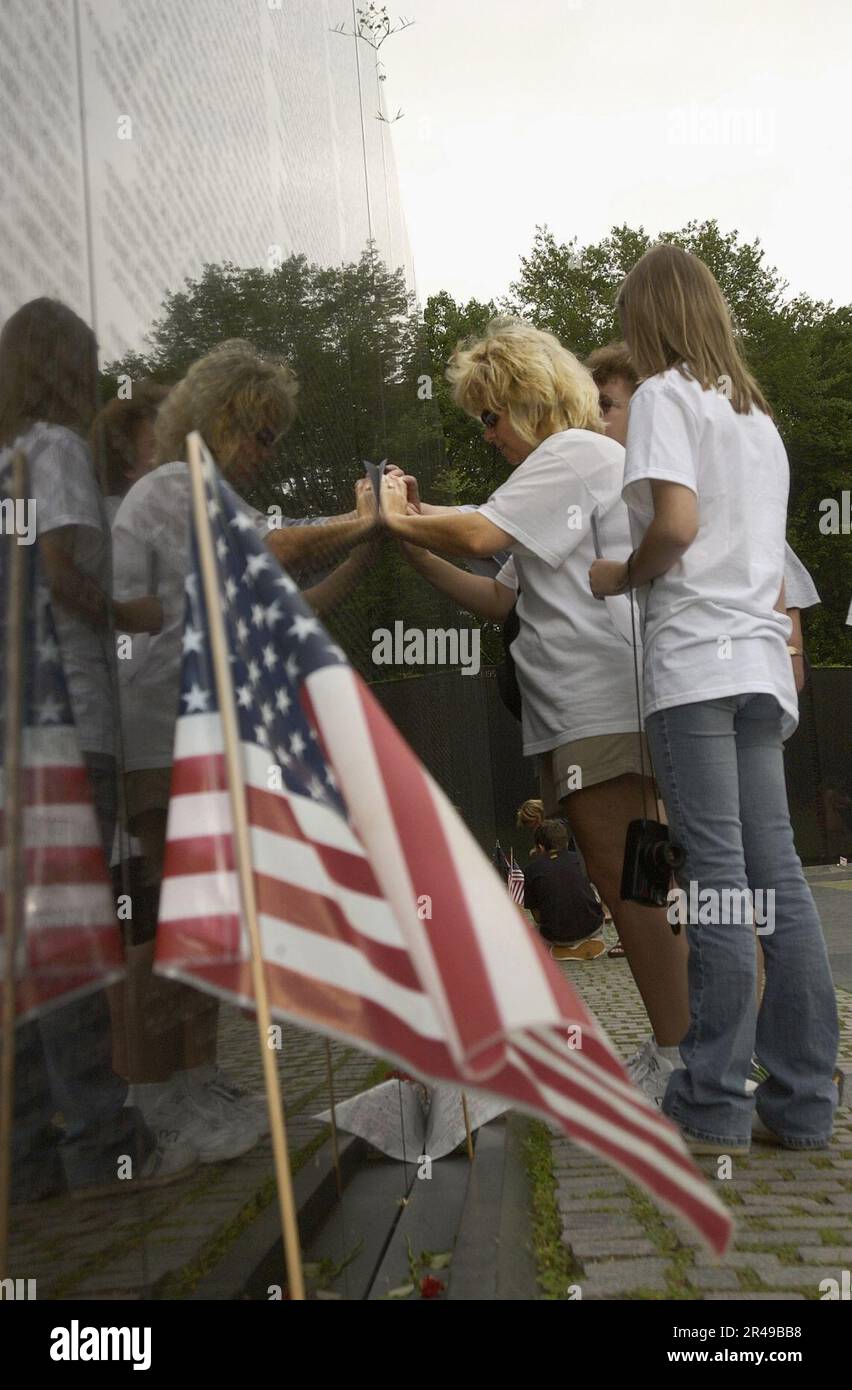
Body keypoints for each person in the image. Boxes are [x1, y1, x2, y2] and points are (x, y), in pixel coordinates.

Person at [381, 316, 690, 1061]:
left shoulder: (572, 454)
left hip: (596, 707)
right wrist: (411, 534)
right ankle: (694, 1046)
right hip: (591, 708)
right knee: (640, 886)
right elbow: (497, 596)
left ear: (530, 398)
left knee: (630, 887)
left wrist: (400, 516)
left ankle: (684, 1052)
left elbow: (482, 537)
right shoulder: (563, 470)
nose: (488, 434)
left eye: (492, 416)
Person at [590, 243, 840, 1153]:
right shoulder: (759, 421)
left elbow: (678, 527)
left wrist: (620, 575)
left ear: (647, 320)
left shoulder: (662, 396)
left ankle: (710, 1102)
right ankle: (806, 1102)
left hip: (695, 667)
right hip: (761, 671)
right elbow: (768, 566)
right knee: (779, 881)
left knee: (723, 888)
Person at [111, 339, 379, 1162]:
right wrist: (364, 519)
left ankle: (194, 1081)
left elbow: (286, 598)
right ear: (223, 419)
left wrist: (369, 549)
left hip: (203, 732)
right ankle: (157, 1100)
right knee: (166, 921)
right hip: (162, 730)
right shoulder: (172, 487)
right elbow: (278, 552)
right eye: (259, 433)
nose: (267, 451)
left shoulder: (209, 494)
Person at [0, 298, 191, 1197]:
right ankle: (102, 1138)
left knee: (30, 945)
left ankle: (31, 1150)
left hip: (17, 734)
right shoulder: (57, 452)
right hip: (71, 720)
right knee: (78, 939)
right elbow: (65, 577)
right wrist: (140, 613)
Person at [524, 820, 606, 959]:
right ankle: (589, 942)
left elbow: (537, 916)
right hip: (592, 927)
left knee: (533, 933)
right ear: (566, 842)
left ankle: (562, 948)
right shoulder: (581, 860)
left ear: (540, 847)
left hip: (556, 935)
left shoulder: (532, 869)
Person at [90, 381, 170, 522]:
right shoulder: (119, 525)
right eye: (155, 445)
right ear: (127, 463)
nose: (172, 450)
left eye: (173, 439)